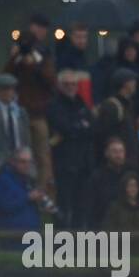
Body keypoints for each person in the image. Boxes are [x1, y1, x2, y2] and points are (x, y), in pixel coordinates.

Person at [3, 31, 57, 195]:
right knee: (20, 153)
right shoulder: (17, 61)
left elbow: (51, 81)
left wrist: (34, 65)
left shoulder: (42, 60)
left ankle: (43, 190)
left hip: (39, 114)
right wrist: (15, 58)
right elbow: (6, 77)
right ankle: (21, 187)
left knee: (42, 155)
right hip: (20, 115)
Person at [47, 70, 96, 228]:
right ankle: (60, 245)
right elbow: (65, 128)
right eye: (66, 84)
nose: (70, 87)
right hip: (64, 164)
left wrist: (78, 127)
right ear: (59, 85)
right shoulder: (55, 105)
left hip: (83, 164)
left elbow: (92, 128)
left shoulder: (81, 103)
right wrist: (80, 126)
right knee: (64, 206)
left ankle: (78, 246)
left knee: (81, 207)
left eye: (73, 84)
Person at [0, 147, 44, 231]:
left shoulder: (29, 181)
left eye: (29, 162)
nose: (27, 165)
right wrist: (28, 197)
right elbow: (3, 205)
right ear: (13, 162)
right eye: (23, 162)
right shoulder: (3, 180)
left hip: (32, 234)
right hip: (12, 235)